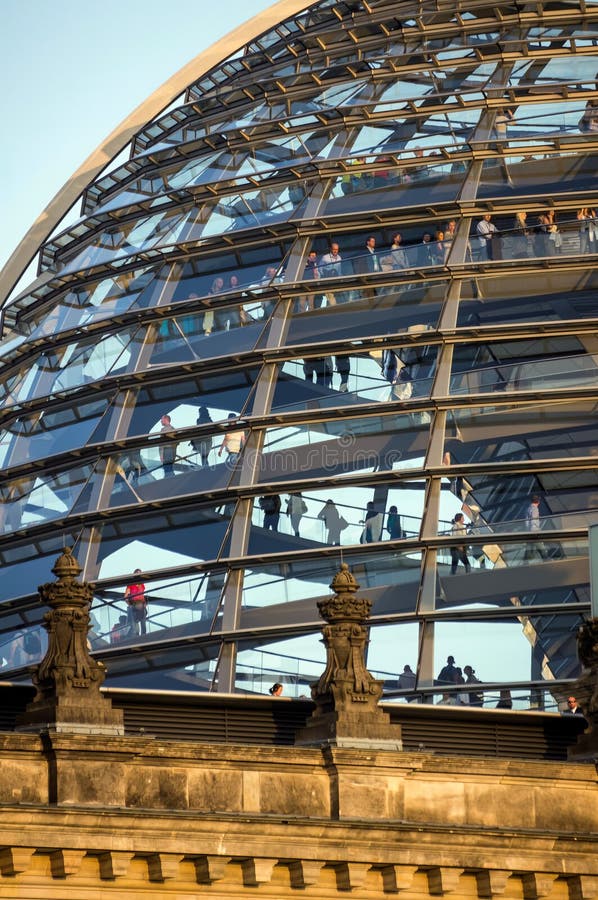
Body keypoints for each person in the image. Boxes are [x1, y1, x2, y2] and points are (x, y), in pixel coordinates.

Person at [524, 495, 547, 561]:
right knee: (543, 551)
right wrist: (536, 532)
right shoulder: (535, 509)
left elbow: (527, 522)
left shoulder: (528, 508)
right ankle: (547, 562)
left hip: (528, 533)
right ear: (538, 502)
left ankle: (525, 564)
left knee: (528, 552)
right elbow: (534, 521)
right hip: (534, 532)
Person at [125, 569, 147, 636]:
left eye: (140, 573)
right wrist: (130, 604)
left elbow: (142, 595)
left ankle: (144, 637)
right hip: (134, 605)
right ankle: (138, 638)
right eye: (137, 573)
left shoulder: (142, 584)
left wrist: (145, 603)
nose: (139, 575)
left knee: (143, 625)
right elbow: (126, 596)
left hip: (142, 605)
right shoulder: (131, 584)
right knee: (136, 628)